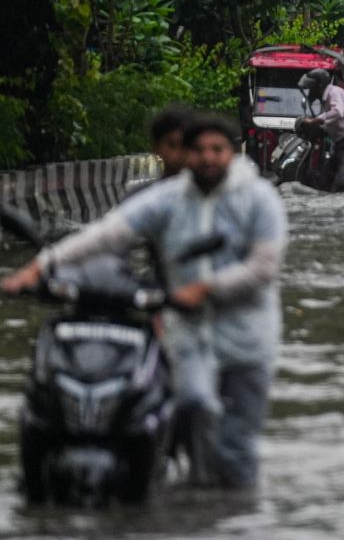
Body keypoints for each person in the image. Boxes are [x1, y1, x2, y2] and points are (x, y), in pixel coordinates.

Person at [3, 113, 288, 489]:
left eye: (217, 149)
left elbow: (263, 267)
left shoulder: (259, 199)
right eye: (198, 149)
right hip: (188, 331)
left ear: (232, 154)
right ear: (186, 154)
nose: (207, 157)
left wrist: (204, 289)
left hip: (247, 336)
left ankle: (232, 507)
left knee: (238, 446)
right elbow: (107, 235)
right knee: (194, 403)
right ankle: (194, 491)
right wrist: (39, 267)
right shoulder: (167, 198)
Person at [299, 68, 344, 192]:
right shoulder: (326, 99)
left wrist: (315, 121)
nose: (310, 91)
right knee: (323, 180)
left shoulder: (333, 92)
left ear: (319, 86)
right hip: (340, 145)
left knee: (342, 182)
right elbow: (333, 122)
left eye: (312, 88)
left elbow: (337, 112)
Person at [149, 105, 192, 179]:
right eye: (172, 145)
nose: (180, 153)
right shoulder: (150, 187)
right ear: (156, 148)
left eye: (186, 145)